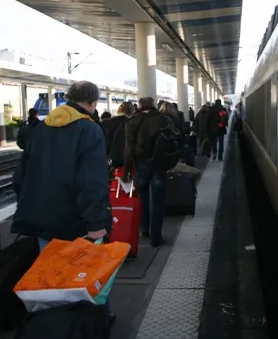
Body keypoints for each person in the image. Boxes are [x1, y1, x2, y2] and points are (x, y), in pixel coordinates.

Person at [12, 80, 112, 245]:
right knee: (78, 268)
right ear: (93, 102)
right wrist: (97, 222)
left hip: (41, 220)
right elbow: (92, 181)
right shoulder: (90, 130)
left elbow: (20, 176)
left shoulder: (41, 128)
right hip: (74, 222)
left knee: (48, 268)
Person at [123, 97, 180, 247]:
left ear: (140, 106)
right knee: (158, 200)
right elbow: (175, 140)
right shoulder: (165, 120)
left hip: (141, 164)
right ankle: (156, 236)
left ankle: (144, 229)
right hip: (160, 164)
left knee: (142, 198)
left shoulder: (131, 122)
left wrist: (126, 171)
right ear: (153, 105)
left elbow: (129, 150)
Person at [103, 101, 134, 169]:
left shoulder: (112, 121)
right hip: (132, 155)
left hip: (116, 154)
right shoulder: (135, 121)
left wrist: (106, 153)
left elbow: (108, 139)